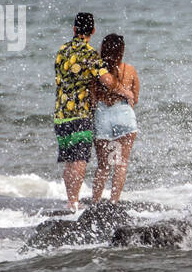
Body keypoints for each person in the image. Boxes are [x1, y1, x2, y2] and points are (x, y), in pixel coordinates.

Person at [53, 13, 132, 211]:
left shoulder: (62, 50)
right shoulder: (90, 55)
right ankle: (74, 203)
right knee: (79, 160)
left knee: (69, 159)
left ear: (74, 29)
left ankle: (71, 200)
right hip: (80, 113)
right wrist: (125, 92)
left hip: (61, 113)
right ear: (93, 31)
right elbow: (107, 80)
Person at [90, 33, 139, 204]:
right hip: (124, 116)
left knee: (103, 167)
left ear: (103, 49)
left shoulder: (97, 71)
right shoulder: (130, 70)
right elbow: (135, 98)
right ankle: (113, 202)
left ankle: (95, 203)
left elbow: (92, 98)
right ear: (122, 51)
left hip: (103, 116)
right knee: (121, 164)